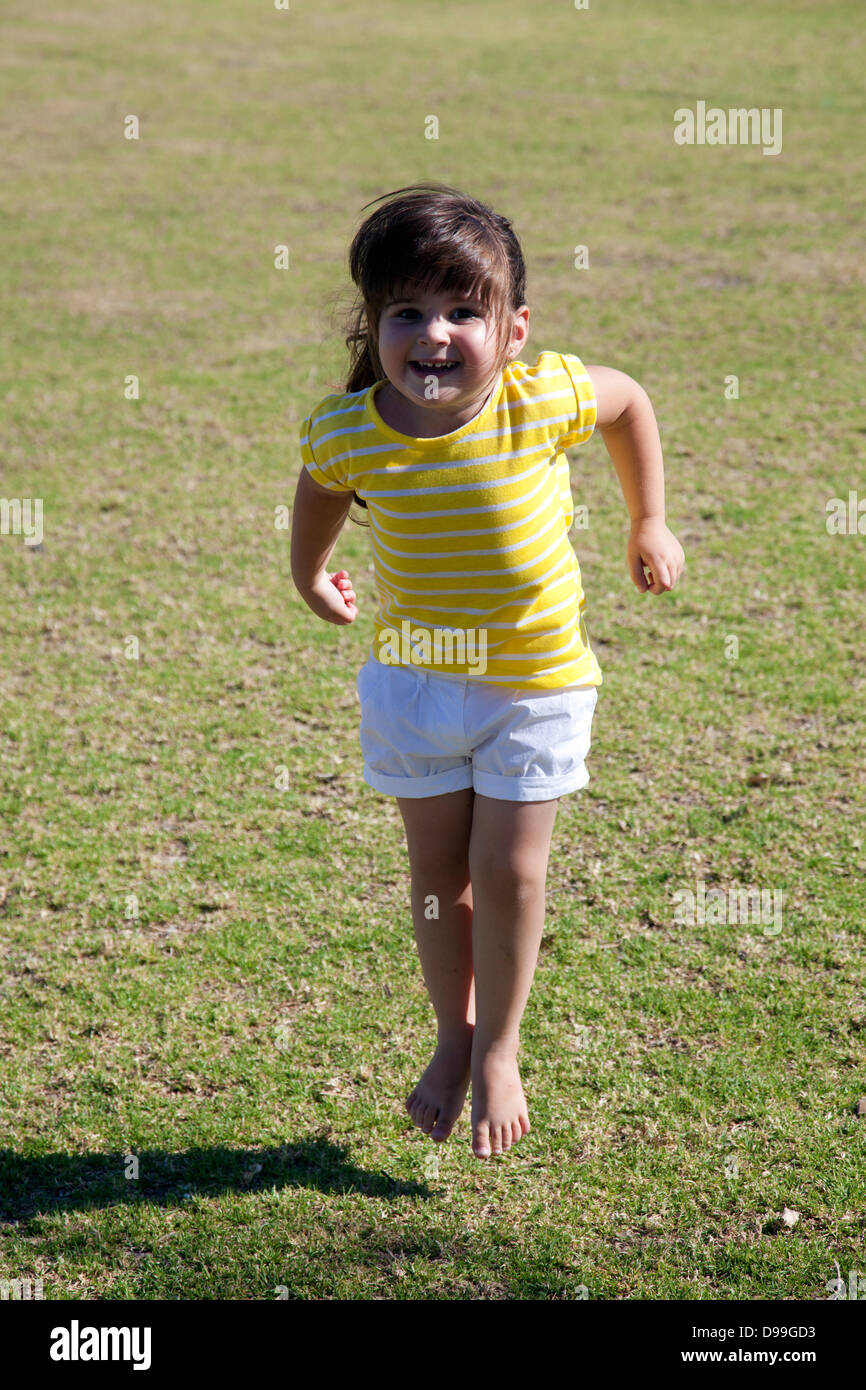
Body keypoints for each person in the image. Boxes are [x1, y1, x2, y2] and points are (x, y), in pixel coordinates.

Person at [291, 182, 685, 1160]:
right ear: (374, 323)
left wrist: (647, 519)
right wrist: (307, 575)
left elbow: (626, 400)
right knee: (436, 873)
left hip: (534, 683)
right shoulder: (350, 429)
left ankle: (500, 1046)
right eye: (407, 312)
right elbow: (317, 492)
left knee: (506, 868)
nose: (434, 333)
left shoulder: (540, 396)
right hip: (415, 689)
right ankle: (451, 1036)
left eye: (464, 310)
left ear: (512, 329)